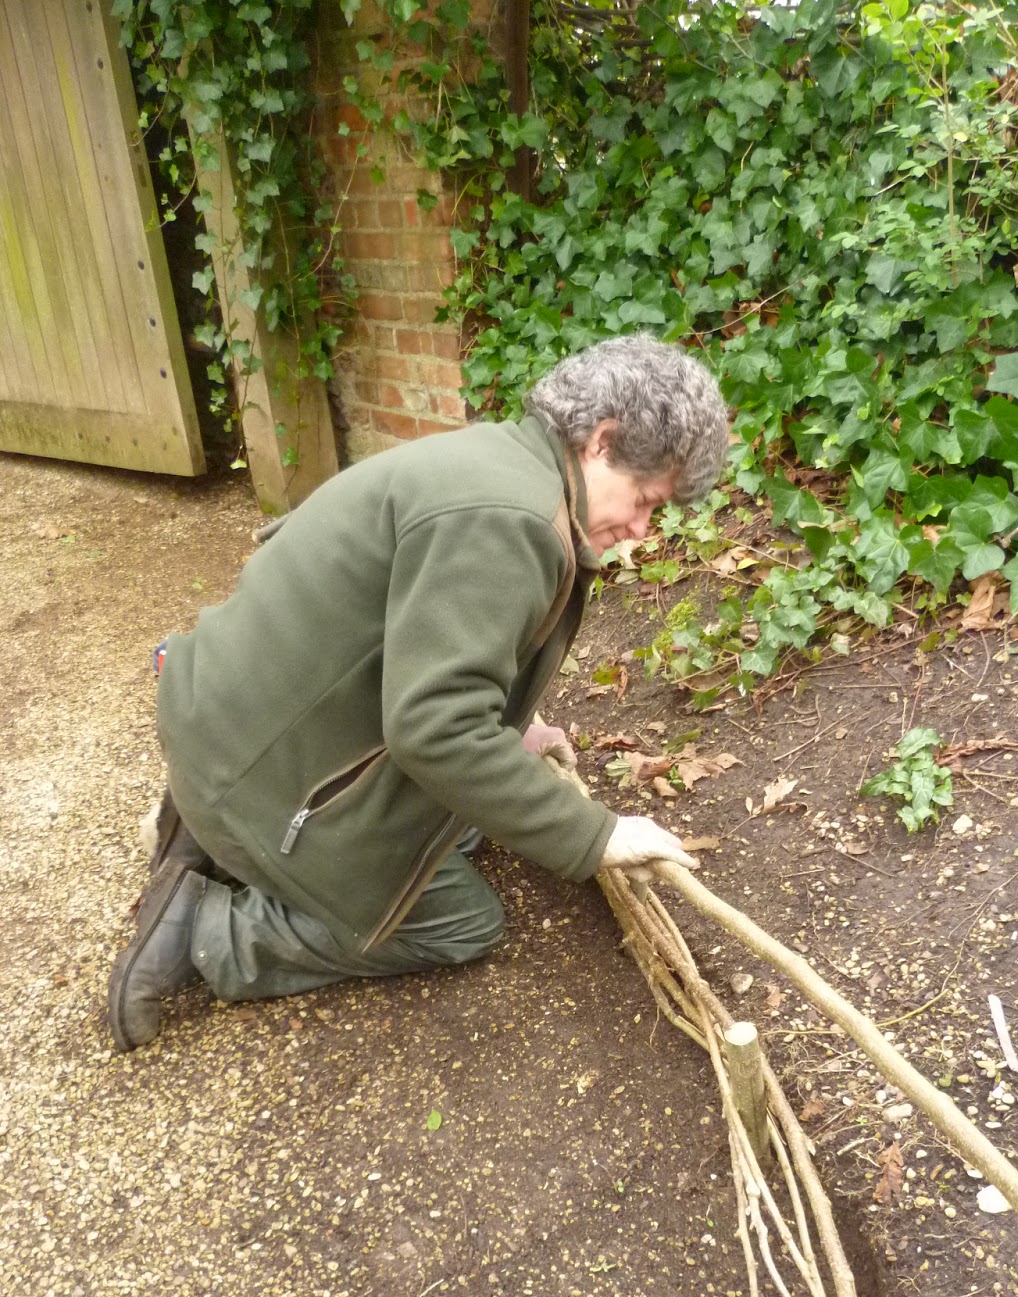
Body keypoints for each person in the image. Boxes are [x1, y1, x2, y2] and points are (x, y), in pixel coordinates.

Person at [107, 335, 729, 1051]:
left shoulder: (498, 461)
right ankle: (203, 929)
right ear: (602, 440)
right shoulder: (513, 520)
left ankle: (206, 832)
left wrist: (513, 729)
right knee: (459, 924)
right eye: (646, 500)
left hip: (226, 722)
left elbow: (415, 647)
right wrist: (599, 836)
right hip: (249, 768)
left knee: (458, 823)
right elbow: (435, 729)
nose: (643, 530)